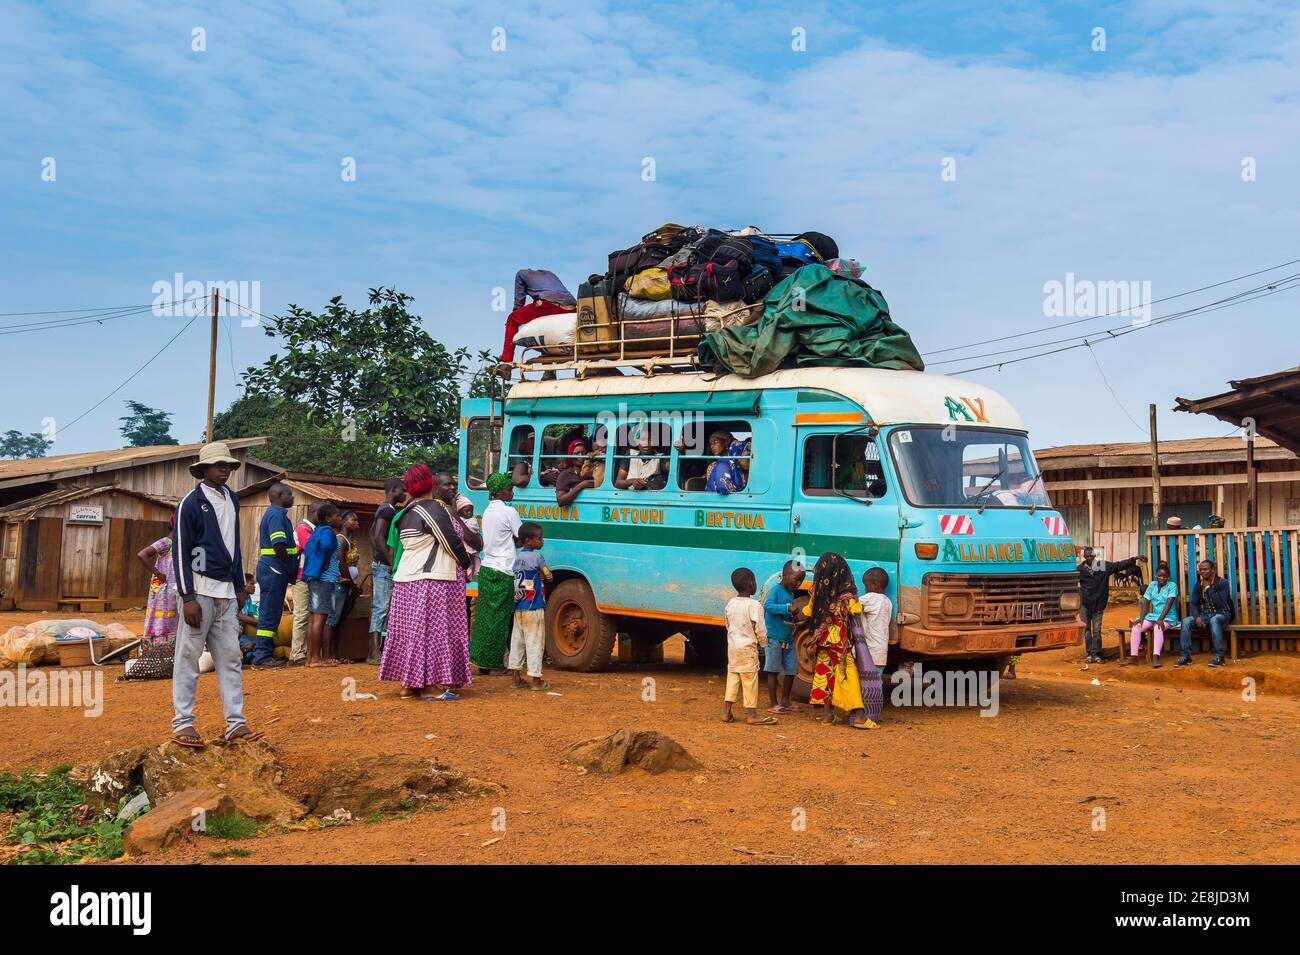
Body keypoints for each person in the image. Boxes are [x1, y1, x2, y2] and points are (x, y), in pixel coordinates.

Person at [170, 441, 264, 748]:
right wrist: (187, 597)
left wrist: (238, 587)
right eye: (219, 465)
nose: (225, 470)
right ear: (204, 469)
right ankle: (183, 724)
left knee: (231, 658)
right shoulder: (191, 504)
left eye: (228, 466)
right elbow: (181, 552)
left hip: (225, 593)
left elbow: (234, 546)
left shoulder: (232, 500)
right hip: (199, 590)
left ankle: (235, 723)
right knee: (188, 657)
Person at [379, 467, 483, 700]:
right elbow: (451, 542)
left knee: (412, 632)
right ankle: (429, 687)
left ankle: (409, 685)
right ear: (430, 484)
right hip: (433, 579)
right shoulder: (433, 509)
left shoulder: (405, 512)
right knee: (433, 633)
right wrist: (466, 562)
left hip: (406, 579)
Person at [801, 552, 861, 725]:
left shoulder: (817, 594)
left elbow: (808, 611)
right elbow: (856, 609)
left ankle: (827, 716)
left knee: (823, 674)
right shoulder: (845, 597)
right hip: (839, 643)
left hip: (821, 641)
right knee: (848, 674)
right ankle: (859, 715)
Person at [470, 473, 521, 673]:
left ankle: (481, 661)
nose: (512, 491)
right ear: (502, 491)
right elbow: (520, 536)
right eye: (510, 488)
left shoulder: (488, 511)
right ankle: (496, 664)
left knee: (485, 617)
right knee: (500, 619)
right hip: (503, 569)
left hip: (487, 567)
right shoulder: (510, 512)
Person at [250, 482, 295, 670]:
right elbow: (279, 546)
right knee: (269, 613)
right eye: (290, 494)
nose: (292, 498)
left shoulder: (276, 514)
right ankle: (261, 656)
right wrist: (288, 567)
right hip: (275, 568)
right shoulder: (276, 515)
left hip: (274, 568)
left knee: (272, 612)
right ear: (279, 495)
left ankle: (263, 654)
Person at [496, 268, 577, 373]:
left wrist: (518, 314)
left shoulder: (521, 274)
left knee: (512, 319)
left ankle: (506, 361)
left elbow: (519, 302)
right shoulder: (549, 273)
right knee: (545, 330)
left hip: (550, 305)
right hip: (572, 307)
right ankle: (549, 372)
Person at [723, 567, 775, 725]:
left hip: (732, 648)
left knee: (732, 678)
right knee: (749, 679)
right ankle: (752, 714)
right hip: (747, 648)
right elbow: (760, 629)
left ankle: (726, 712)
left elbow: (727, 624)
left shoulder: (730, 603)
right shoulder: (754, 605)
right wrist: (764, 645)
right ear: (751, 584)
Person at [1077, 547, 1146, 663]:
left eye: (1091, 556)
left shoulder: (1103, 566)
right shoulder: (1079, 570)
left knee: (1097, 630)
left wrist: (1134, 559)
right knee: (1087, 629)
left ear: (1095, 556)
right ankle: (1089, 654)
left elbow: (1119, 565)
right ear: (1084, 557)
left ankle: (1096, 654)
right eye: (1087, 556)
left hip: (1099, 603)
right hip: (1085, 604)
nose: (1089, 558)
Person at [368, 478, 407, 664]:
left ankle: (382, 650)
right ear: (392, 490)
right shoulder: (387, 510)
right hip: (383, 566)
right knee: (381, 608)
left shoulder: (386, 509)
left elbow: (372, 534)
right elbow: (377, 536)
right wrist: (391, 560)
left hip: (381, 564)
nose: (405, 494)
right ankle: (374, 652)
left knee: (386, 609)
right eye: (402, 490)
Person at [507, 522, 551, 690]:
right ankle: (536, 680)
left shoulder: (516, 557)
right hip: (534, 606)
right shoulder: (537, 558)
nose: (542, 541)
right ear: (527, 541)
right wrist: (546, 574)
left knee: (517, 641)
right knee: (535, 642)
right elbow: (548, 575)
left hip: (518, 606)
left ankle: (515, 678)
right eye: (539, 538)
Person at [849, 567, 891, 729]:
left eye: (865, 585)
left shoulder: (871, 598)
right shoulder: (887, 601)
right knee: (876, 685)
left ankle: (863, 715)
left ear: (874, 585)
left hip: (869, 651)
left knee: (864, 685)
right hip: (881, 651)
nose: (864, 589)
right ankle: (874, 714)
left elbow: (854, 606)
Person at [301, 503, 342, 668]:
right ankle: (316, 658)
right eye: (337, 516)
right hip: (325, 579)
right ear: (327, 518)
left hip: (315, 577)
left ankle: (311, 658)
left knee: (313, 617)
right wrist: (325, 560)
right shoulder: (327, 532)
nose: (339, 519)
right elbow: (326, 547)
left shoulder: (316, 531)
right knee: (320, 618)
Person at [761, 559, 804, 714]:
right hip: (774, 637)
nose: (799, 583)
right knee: (773, 670)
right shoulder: (776, 590)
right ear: (784, 576)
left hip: (788, 638)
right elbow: (768, 606)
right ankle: (774, 703)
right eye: (796, 579)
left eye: (801, 580)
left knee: (791, 670)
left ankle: (785, 701)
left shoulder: (790, 593)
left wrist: (795, 621)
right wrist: (787, 608)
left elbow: (787, 615)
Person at [1177, 559, 1234, 669]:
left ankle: (1219, 657)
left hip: (1223, 614)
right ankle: (1186, 657)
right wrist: (1197, 617)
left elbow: (1220, 602)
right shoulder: (1198, 585)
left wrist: (1208, 588)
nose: (1202, 572)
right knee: (1186, 621)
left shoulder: (1223, 582)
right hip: (1206, 615)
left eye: (1205, 569)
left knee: (1215, 619)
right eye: (1201, 570)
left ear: (1213, 570)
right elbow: (1193, 604)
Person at [1125, 561, 1178, 668]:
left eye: (1165, 576)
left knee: (1157, 627)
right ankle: (1134, 657)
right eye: (1159, 576)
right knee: (1136, 626)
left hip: (1168, 617)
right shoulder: (1152, 585)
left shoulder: (1172, 586)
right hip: (1153, 616)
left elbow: (1169, 604)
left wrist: (1160, 619)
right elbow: (1145, 601)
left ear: (1168, 577)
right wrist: (1141, 618)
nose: (1162, 578)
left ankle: (1156, 657)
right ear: (1156, 576)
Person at [136, 518, 179, 646]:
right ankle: (157, 646)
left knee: (173, 618)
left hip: (174, 588)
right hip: (164, 589)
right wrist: (159, 574)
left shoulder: (180, 544)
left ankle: (170, 647)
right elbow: (142, 554)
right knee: (160, 619)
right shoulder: (166, 542)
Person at [325, 510, 361, 659]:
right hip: (340, 583)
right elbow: (341, 564)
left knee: (338, 620)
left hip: (346, 584)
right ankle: (328, 655)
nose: (356, 523)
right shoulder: (340, 540)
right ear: (344, 522)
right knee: (332, 619)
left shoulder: (349, 540)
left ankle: (335, 654)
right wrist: (352, 585)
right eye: (353, 520)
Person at [289, 502, 321, 665]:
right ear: (315, 513)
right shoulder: (303, 529)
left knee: (307, 616)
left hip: (307, 577)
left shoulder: (311, 530)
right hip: (301, 577)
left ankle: (303, 652)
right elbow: (313, 549)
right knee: (301, 615)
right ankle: (297, 654)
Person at [704, 430, 750, 494]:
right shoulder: (716, 465)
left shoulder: (736, 464)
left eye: (715, 442)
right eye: (711, 444)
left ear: (726, 442)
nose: (712, 446)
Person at [555, 438, 595, 507]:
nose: (580, 456)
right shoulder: (566, 474)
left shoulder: (592, 470)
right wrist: (581, 486)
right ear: (571, 455)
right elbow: (561, 501)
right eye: (576, 453)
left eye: (583, 453)